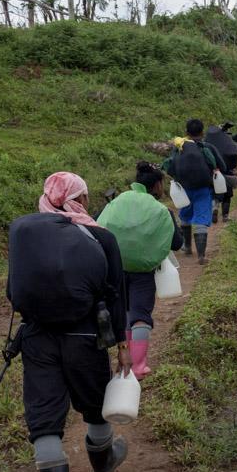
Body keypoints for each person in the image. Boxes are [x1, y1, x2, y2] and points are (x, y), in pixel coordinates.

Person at [6, 172, 131, 472]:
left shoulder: (25, 236)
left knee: (44, 418)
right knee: (94, 406)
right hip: (85, 336)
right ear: (83, 200)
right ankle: (103, 464)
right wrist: (122, 345)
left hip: (36, 337)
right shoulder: (102, 238)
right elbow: (115, 295)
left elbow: (11, 291)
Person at [96, 162, 184, 379]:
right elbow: (176, 243)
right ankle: (139, 366)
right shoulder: (160, 210)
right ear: (156, 185)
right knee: (141, 317)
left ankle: (124, 361)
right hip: (143, 273)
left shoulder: (116, 202)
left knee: (125, 313)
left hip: (115, 271)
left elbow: (98, 226)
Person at [162, 118, 223, 265]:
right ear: (202, 132)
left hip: (184, 189)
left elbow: (170, 167)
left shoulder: (179, 148)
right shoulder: (206, 147)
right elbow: (221, 165)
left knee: (185, 216)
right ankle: (201, 256)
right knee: (201, 220)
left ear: (186, 133)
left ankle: (188, 247)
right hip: (203, 189)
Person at [204, 121, 237, 223]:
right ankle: (225, 216)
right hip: (227, 170)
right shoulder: (227, 141)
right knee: (227, 194)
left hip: (212, 171)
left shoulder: (207, 141)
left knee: (215, 192)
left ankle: (214, 208)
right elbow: (235, 155)